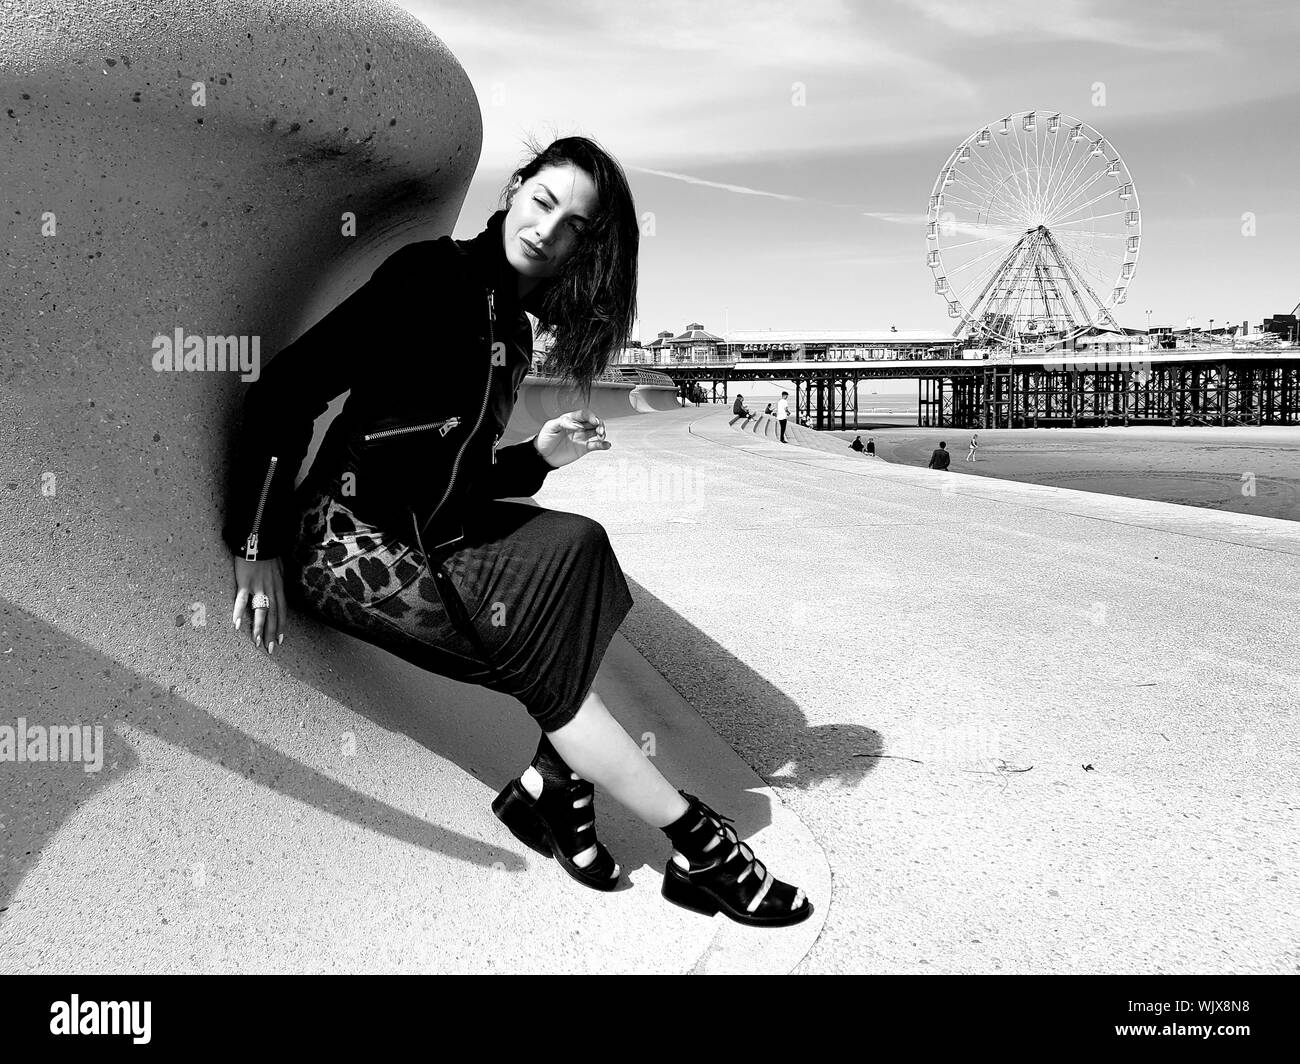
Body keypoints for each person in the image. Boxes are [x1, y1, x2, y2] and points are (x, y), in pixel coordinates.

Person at [223, 135, 811, 928]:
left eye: (573, 226)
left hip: (429, 535)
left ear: (584, 250)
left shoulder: (515, 332)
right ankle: (697, 847)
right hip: (349, 544)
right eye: (542, 201)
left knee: (579, 547)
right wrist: (256, 541)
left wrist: (537, 456)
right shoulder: (428, 277)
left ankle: (553, 787)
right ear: (513, 190)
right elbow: (288, 389)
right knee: (549, 676)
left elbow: (455, 479)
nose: (546, 230)